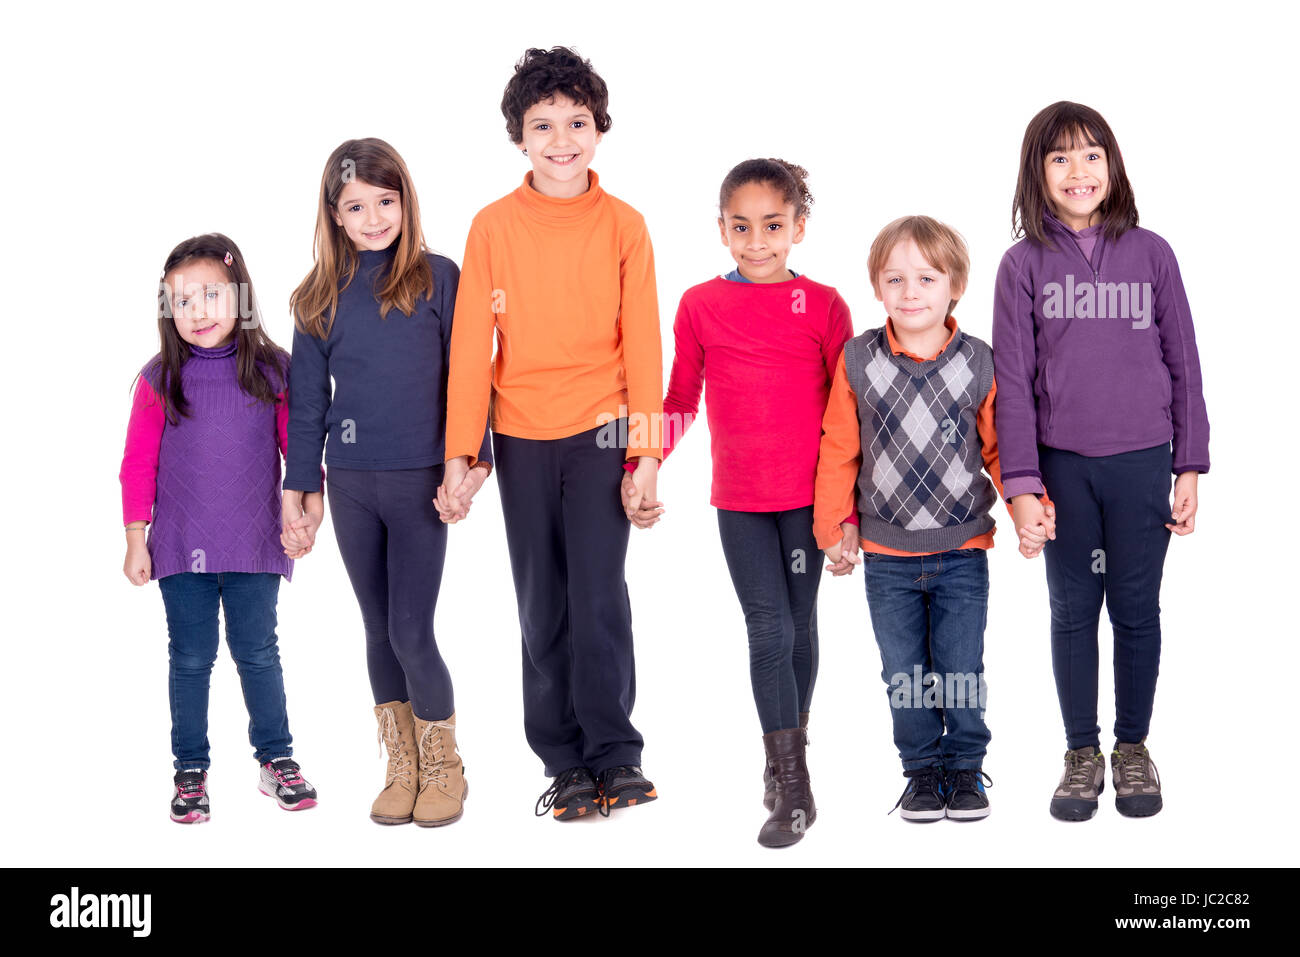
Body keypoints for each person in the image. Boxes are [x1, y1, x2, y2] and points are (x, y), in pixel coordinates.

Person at [441, 46, 663, 820]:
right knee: (544, 601)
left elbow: (644, 346)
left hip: (603, 432)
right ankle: (564, 761)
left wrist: (647, 454)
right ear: (519, 136)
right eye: (543, 125)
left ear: (598, 130)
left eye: (576, 122)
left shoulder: (626, 226)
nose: (561, 139)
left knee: (600, 596)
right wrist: (462, 454)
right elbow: (472, 347)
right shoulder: (493, 227)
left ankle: (616, 753)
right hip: (524, 437)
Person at [992, 101, 1210, 821]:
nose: (1078, 170)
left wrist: (1189, 465)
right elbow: (1012, 386)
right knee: (1073, 609)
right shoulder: (1021, 264)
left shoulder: (1152, 254)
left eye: (1091, 154)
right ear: (1037, 173)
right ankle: (1081, 752)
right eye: (1059, 157)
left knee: (1137, 609)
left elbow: (1184, 362)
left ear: (1112, 165)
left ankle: (1133, 747)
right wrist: (1022, 486)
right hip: (1062, 469)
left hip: (1144, 462)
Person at [626, 158, 852, 846]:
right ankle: (793, 785)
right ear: (721, 229)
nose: (757, 241)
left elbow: (849, 413)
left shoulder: (823, 304)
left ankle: (790, 753)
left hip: (809, 502)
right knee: (770, 629)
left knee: (801, 626)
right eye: (742, 227)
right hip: (742, 502)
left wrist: (845, 512)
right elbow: (678, 397)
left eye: (773, 226)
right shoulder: (701, 303)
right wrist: (646, 458)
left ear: (799, 228)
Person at [282, 138, 491, 827]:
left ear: (405, 200)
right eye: (356, 206)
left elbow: (469, 376)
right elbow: (307, 403)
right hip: (348, 484)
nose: (373, 217)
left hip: (421, 481)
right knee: (377, 627)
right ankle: (402, 763)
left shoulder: (438, 276)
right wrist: (300, 489)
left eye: (385, 201)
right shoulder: (317, 296)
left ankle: (444, 763)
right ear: (334, 214)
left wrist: (474, 461)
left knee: (411, 627)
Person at [815, 216, 1051, 822]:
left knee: (960, 667)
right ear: (877, 288)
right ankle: (921, 772)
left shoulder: (978, 361)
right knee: (904, 672)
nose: (910, 291)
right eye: (895, 278)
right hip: (886, 557)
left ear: (955, 288)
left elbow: (1000, 450)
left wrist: (1030, 507)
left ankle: (966, 769)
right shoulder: (857, 360)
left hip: (961, 552)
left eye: (926, 277)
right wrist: (832, 527)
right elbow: (839, 449)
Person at [120, 234, 318, 824]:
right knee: (190, 657)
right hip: (181, 549)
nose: (197, 311)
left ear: (241, 296)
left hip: (257, 543)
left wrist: (306, 513)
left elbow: (301, 452)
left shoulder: (275, 370)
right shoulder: (160, 378)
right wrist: (136, 536)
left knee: (258, 652)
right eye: (181, 301)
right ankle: (190, 768)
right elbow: (138, 463)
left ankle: (276, 758)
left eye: (210, 295)